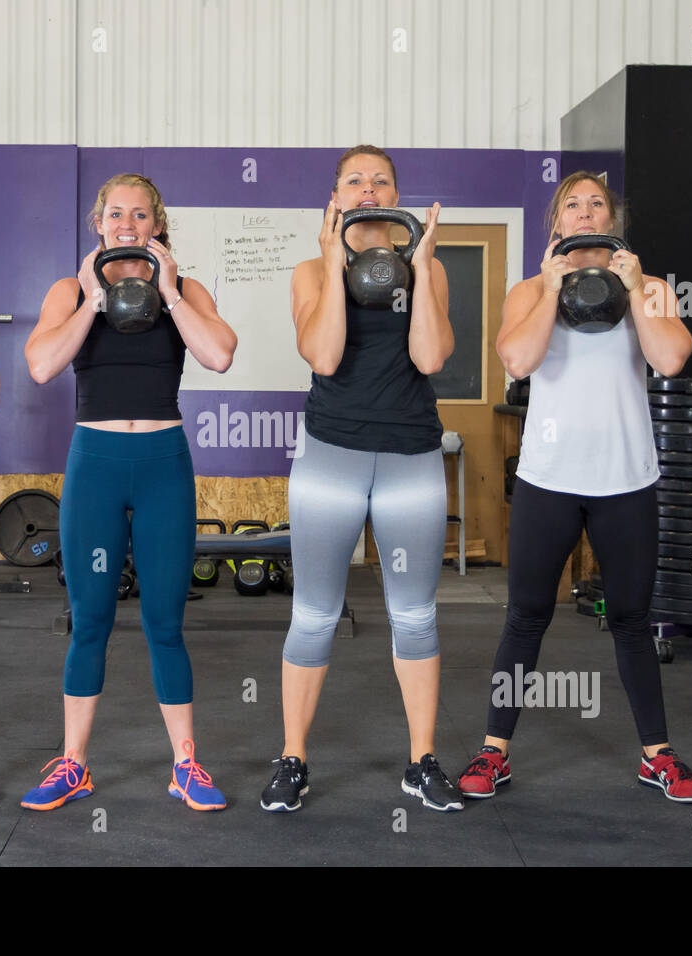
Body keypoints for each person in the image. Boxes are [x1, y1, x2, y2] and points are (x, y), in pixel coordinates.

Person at [457, 171, 692, 803]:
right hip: (550, 480)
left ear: (612, 219)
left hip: (626, 480)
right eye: (574, 204)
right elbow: (518, 361)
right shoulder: (527, 291)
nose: (588, 210)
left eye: (599, 202)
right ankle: (494, 753)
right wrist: (548, 287)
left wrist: (635, 286)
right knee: (525, 617)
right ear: (558, 224)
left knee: (630, 618)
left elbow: (671, 359)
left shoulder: (650, 289)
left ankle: (658, 755)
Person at [21, 173, 238, 812]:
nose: (127, 224)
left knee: (164, 622)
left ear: (157, 226)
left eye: (140, 215)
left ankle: (186, 765)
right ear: (98, 224)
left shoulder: (184, 288)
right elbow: (40, 365)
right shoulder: (71, 290)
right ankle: (73, 765)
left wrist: (170, 293)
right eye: (116, 213)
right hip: (96, 465)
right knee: (90, 621)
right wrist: (90, 301)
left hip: (163, 464)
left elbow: (220, 354)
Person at [260, 146, 459, 813]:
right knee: (314, 614)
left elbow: (430, 355)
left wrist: (423, 265)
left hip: (410, 457)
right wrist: (331, 262)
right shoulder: (309, 271)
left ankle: (421, 761)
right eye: (355, 179)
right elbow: (323, 352)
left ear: (397, 194)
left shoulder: (426, 271)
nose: (369, 188)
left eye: (382, 179)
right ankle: (293, 758)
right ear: (336, 196)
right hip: (331, 457)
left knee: (415, 615)